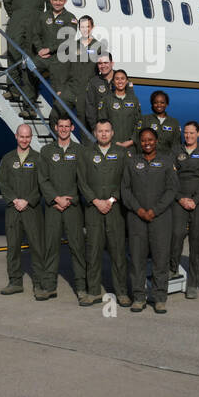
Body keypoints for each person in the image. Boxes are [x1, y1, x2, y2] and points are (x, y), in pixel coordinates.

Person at [38, 116, 96, 305]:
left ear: (72, 128)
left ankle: (81, 288)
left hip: (73, 207)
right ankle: (48, 286)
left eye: (66, 126)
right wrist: (55, 198)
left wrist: (73, 200)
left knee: (77, 248)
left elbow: (84, 180)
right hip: (53, 207)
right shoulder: (46, 151)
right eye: (60, 126)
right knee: (51, 247)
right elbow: (42, 179)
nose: (63, 129)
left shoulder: (80, 151)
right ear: (55, 128)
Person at [121, 128, 179, 313]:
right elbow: (125, 190)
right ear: (139, 142)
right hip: (136, 218)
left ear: (156, 141)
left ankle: (159, 298)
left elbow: (172, 189)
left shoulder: (166, 161)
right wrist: (138, 209)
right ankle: (139, 297)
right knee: (137, 260)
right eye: (144, 140)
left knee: (160, 260)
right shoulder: (132, 162)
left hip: (160, 219)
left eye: (150, 140)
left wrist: (155, 210)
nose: (147, 143)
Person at [78, 119, 130, 306]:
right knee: (93, 251)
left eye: (107, 131)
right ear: (95, 133)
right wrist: (95, 200)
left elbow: (126, 180)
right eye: (100, 131)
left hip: (114, 209)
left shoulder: (122, 153)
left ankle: (122, 292)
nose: (104, 134)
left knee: (118, 253)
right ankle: (93, 292)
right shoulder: (86, 153)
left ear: (113, 132)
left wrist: (110, 200)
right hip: (93, 209)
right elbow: (82, 181)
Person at [0, 124, 46, 298]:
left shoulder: (38, 159)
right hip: (13, 209)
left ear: (31, 138)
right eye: (21, 136)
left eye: (27, 137)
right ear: (16, 136)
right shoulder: (8, 159)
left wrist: (28, 200)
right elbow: (3, 183)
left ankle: (39, 284)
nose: (24, 140)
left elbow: (42, 184)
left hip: (31, 209)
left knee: (37, 247)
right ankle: (15, 282)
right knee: (13, 247)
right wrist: (14, 199)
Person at [1, 0, 52, 103]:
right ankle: (13, 89)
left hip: (35, 24)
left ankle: (30, 95)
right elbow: (6, 0)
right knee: (13, 54)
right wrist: (15, 15)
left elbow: (49, 3)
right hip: (17, 22)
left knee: (31, 58)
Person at [171, 120, 199, 299]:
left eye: (192, 133)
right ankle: (172, 269)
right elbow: (171, 178)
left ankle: (193, 283)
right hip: (179, 199)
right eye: (186, 133)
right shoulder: (175, 151)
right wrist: (180, 198)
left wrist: (195, 199)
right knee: (176, 234)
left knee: (197, 242)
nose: (188, 136)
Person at [34, 0, 79, 121]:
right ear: (51, 1)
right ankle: (30, 102)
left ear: (65, 1)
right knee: (28, 68)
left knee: (59, 96)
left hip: (61, 61)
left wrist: (49, 49)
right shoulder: (43, 16)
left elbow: (67, 39)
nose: (58, 3)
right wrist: (39, 49)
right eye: (55, 0)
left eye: (60, 0)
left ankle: (59, 123)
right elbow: (35, 35)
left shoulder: (70, 18)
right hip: (44, 57)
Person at [64, 16, 105, 132]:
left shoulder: (99, 46)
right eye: (82, 27)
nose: (85, 29)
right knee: (57, 114)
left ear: (92, 27)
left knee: (84, 122)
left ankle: (86, 149)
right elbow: (64, 68)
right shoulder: (72, 46)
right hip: (72, 88)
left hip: (88, 91)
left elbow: (104, 68)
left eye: (88, 26)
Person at [99, 69, 141, 151]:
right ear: (113, 82)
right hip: (111, 145)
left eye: (122, 78)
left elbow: (139, 122)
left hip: (130, 146)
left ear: (126, 81)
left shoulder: (134, 100)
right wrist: (113, 141)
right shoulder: (106, 100)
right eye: (117, 79)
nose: (120, 81)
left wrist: (131, 141)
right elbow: (101, 123)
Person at [80, 52, 115, 135]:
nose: (103, 66)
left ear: (112, 63)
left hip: (119, 127)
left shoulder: (121, 78)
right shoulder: (93, 82)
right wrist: (95, 128)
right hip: (101, 130)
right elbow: (90, 107)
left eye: (106, 63)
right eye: (100, 63)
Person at [143, 90, 181, 158]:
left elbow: (176, 146)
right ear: (152, 104)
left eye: (162, 102)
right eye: (155, 102)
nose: (159, 105)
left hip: (167, 162)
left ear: (167, 104)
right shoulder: (145, 119)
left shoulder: (174, 122)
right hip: (147, 161)